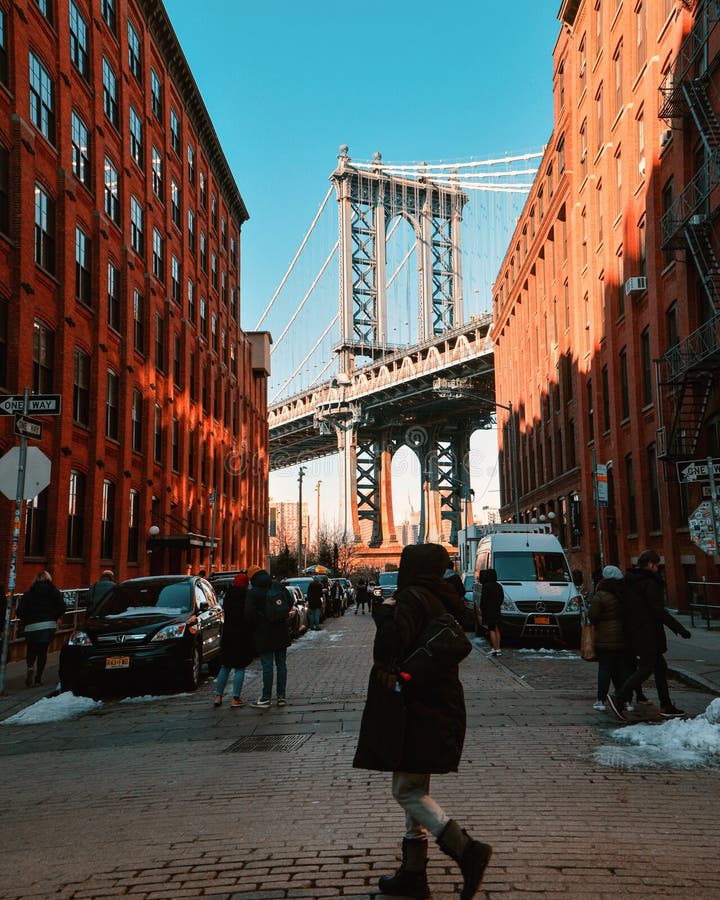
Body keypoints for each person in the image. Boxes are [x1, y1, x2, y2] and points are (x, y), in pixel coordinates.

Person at [354, 543, 492, 900]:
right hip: (438, 703)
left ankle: (467, 849)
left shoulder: (412, 599)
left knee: (406, 790)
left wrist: (383, 615)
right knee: (416, 785)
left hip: (415, 708)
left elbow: (388, 650)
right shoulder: (441, 598)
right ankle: (413, 874)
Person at [606, 550, 691, 721]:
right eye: (657, 564)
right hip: (648, 633)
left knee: (660, 668)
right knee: (646, 668)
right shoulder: (649, 583)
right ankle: (619, 697)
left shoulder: (629, 580)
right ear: (651, 564)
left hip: (636, 631)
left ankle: (666, 705)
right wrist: (680, 629)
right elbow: (657, 610)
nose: (657, 568)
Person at [245, 565, 292, 708]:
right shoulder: (278, 586)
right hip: (281, 631)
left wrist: (257, 625)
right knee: (281, 665)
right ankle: (281, 697)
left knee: (267, 666)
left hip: (263, 633)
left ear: (252, 578)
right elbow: (290, 602)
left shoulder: (253, 593)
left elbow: (248, 614)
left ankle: (266, 697)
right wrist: (281, 617)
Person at [589, 565, 629, 712]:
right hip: (623, 637)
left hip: (604, 638)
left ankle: (601, 699)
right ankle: (625, 699)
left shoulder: (601, 594)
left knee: (605, 669)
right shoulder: (625, 592)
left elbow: (592, 615)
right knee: (622, 670)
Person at [16, 570, 65, 687]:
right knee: (42, 652)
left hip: (31, 626)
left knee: (31, 650)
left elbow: (20, 611)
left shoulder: (28, 594)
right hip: (48, 625)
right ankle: (38, 678)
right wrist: (54, 617)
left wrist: (27, 621)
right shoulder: (54, 592)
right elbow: (62, 607)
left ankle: (30, 667)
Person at [213, 572, 255, 708]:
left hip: (228, 634)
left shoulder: (228, 596)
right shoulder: (246, 597)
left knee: (225, 666)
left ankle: (218, 696)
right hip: (241, 635)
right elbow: (249, 616)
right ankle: (235, 697)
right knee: (239, 667)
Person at [480, 568, 504, 657]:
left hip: (488, 610)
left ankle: (495, 648)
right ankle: (498, 648)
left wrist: (482, 608)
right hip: (497, 609)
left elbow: (483, 600)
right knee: (497, 629)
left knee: (491, 629)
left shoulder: (486, 586)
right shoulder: (499, 586)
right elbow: (501, 598)